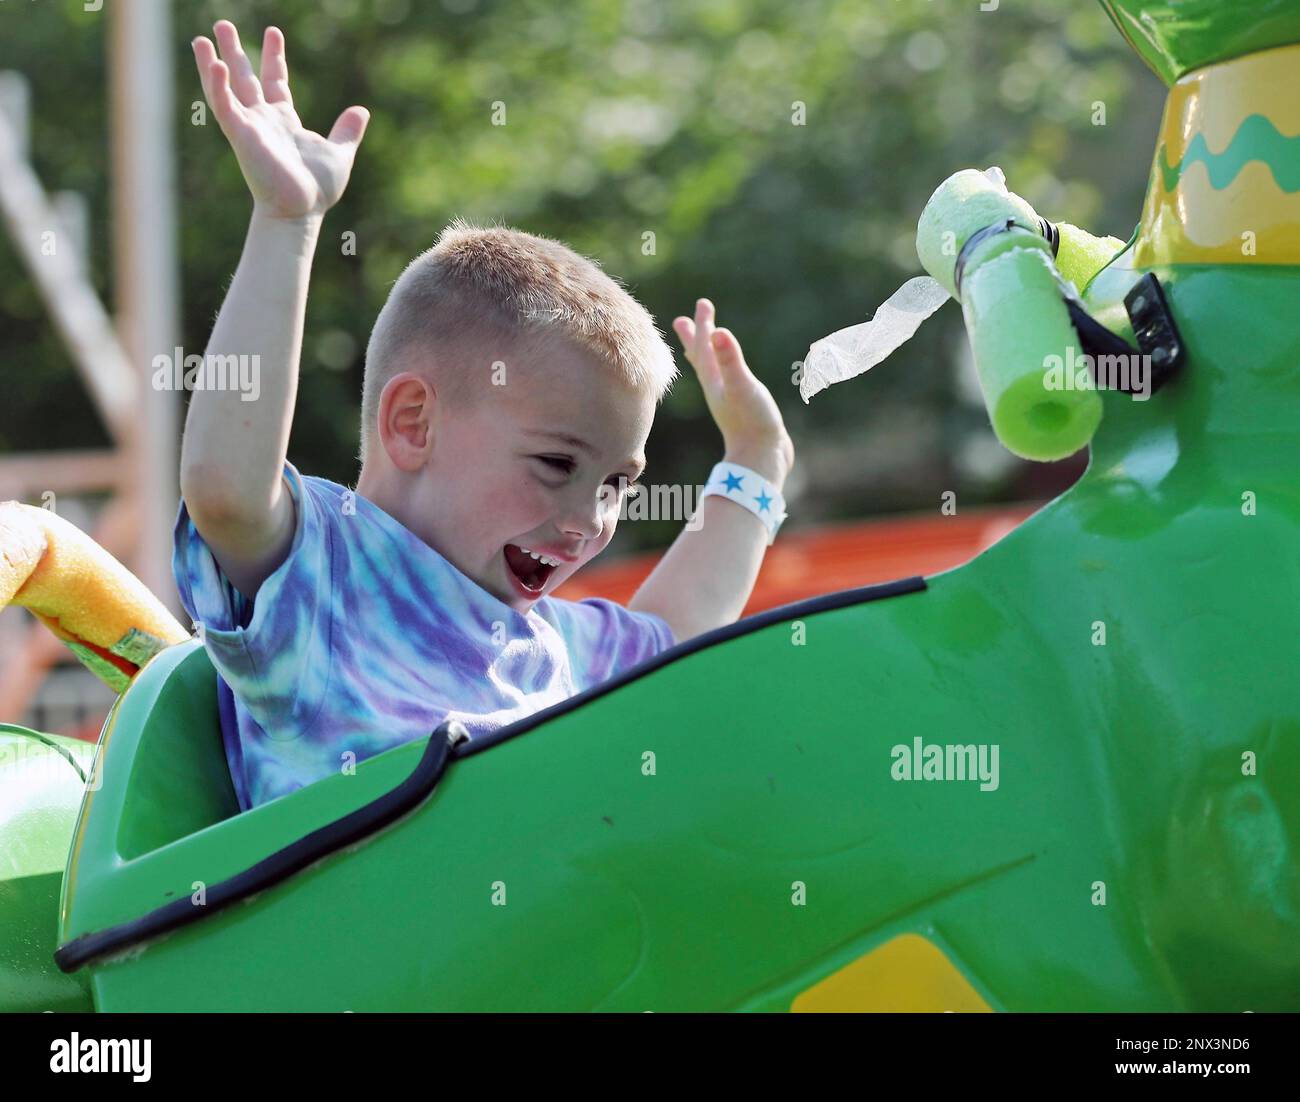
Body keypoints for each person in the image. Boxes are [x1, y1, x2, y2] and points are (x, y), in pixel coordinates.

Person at [177, 21, 796, 809]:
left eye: (615, 484)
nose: (588, 521)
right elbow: (225, 490)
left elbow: (678, 628)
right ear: (413, 424)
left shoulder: (551, 648)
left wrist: (756, 462)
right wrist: (287, 223)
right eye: (557, 465)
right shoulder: (325, 579)